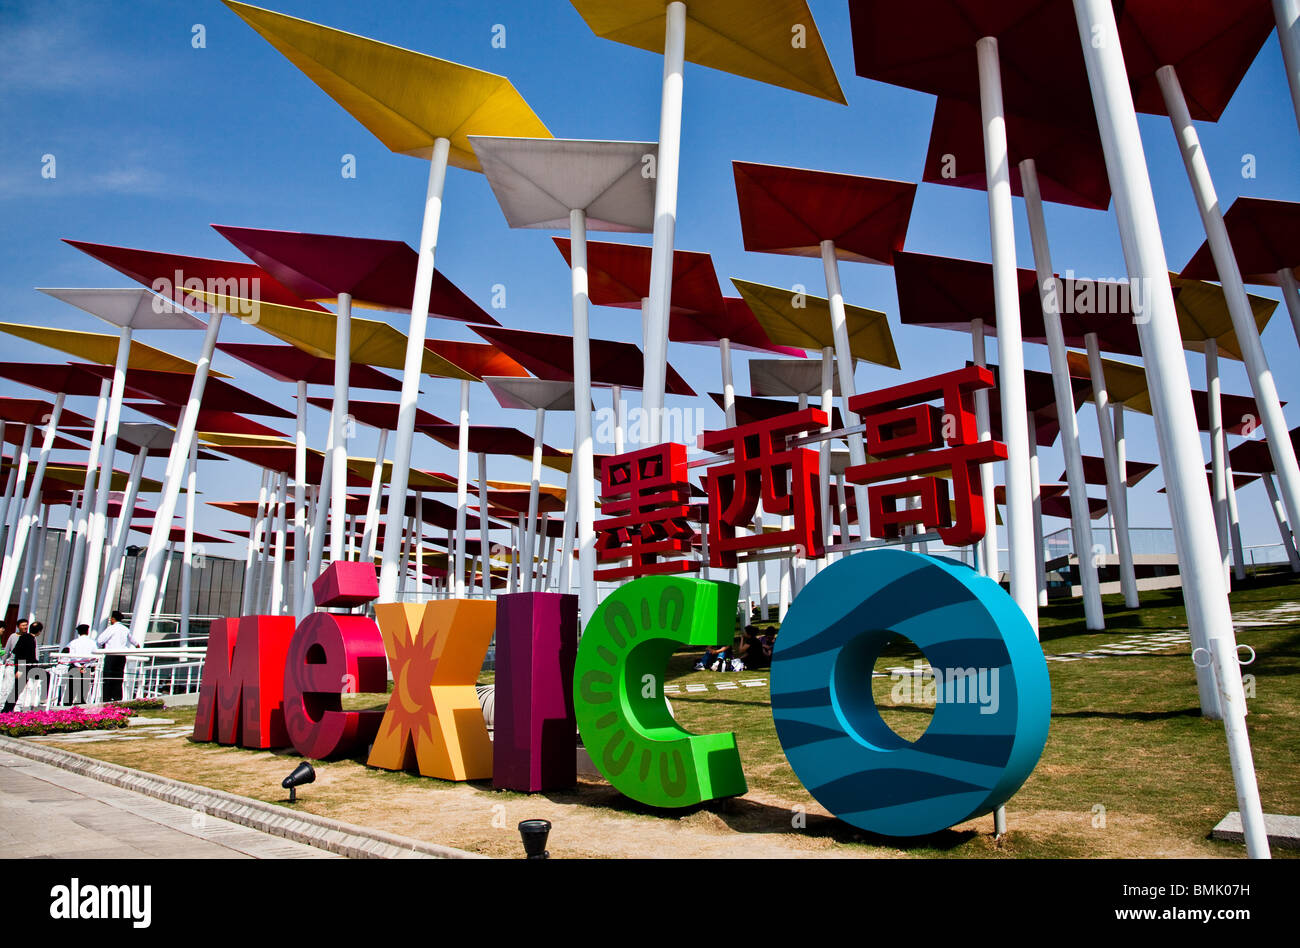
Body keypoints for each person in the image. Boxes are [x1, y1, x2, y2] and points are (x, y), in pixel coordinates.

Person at [96, 611, 136, 703]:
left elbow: (100, 640)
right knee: (118, 677)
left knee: (108, 677)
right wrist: (137, 646)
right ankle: (117, 697)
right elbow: (133, 641)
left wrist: (98, 647)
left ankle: (107, 698)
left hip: (111, 655)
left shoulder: (111, 628)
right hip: (121, 656)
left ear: (113, 619)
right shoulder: (125, 629)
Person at [2, 619, 37, 712]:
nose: (25, 627)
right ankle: (5, 708)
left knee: (19, 689)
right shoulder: (14, 636)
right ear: (18, 626)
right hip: (14, 664)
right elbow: (9, 650)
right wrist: (4, 662)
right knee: (9, 687)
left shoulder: (30, 637)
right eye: (23, 625)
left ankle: (14, 708)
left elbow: (33, 653)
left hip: (23, 666)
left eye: (26, 625)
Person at [63, 624, 97, 705]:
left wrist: (78, 665)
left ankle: (67, 705)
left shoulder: (73, 643)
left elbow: (71, 656)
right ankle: (81, 705)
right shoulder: (92, 643)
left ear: (78, 632)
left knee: (71, 687)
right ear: (87, 631)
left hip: (74, 666)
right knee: (84, 688)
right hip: (87, 666)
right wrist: (85, 666)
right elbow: (95, 656)